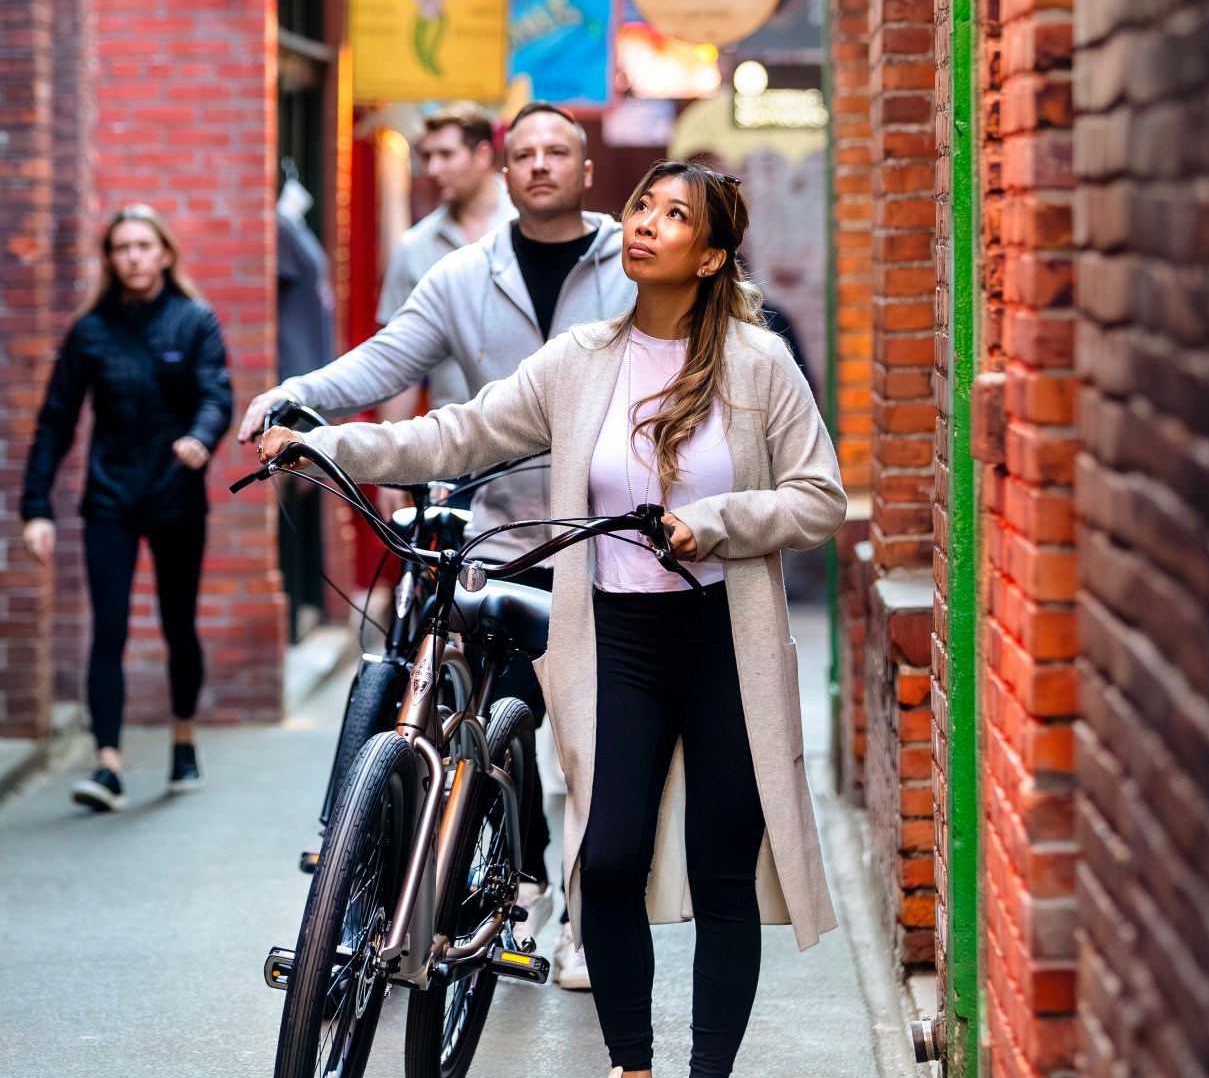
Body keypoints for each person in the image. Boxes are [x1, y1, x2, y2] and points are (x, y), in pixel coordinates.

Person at [258, 161, 846, 1078]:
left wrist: (718, 523)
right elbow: (457, 433)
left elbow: (820, 499)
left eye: (674, 215)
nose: (644, 222)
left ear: (712, 257)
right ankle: (633, 1064)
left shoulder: (759, 363)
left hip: (726, 642)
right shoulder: (580, 361)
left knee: (722, 868)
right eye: (643, 205)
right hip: (615, 638)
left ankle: (708, 1071)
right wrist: (328, 444)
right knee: (605, 860)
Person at [240, 100, 634, 987]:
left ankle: (584, 923)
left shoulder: (633, 265)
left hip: (605, 528)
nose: (539, 165)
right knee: (497, 713)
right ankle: (509, 868)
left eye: (557, 152)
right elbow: (385, 360)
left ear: (584, 171)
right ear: (505, 174)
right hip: (496, 520)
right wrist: (295, 395)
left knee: (591, 738)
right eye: (523, 153)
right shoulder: (460, 275)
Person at [22, 204, 234, 813]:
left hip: (175, 494)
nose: (134, 256)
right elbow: (55, 422)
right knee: (108, 628)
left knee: (178, 626)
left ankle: (184, 737)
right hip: (110, 498)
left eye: (145, 245)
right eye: (122, 247)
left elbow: (216, 391)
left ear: (165, 253)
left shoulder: (195, 321)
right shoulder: (89, 332)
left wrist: (200, 437)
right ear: (110, 259)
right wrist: (35, 506)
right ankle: (108, 764)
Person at [374, 102, 516, 425]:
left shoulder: (529, 226)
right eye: (426, 156)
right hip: (453, 448)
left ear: (482, 155)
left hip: (530, 445)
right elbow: (398, 363)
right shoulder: (414, 247)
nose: (433, 169)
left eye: (446, 155)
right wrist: (388, 465)